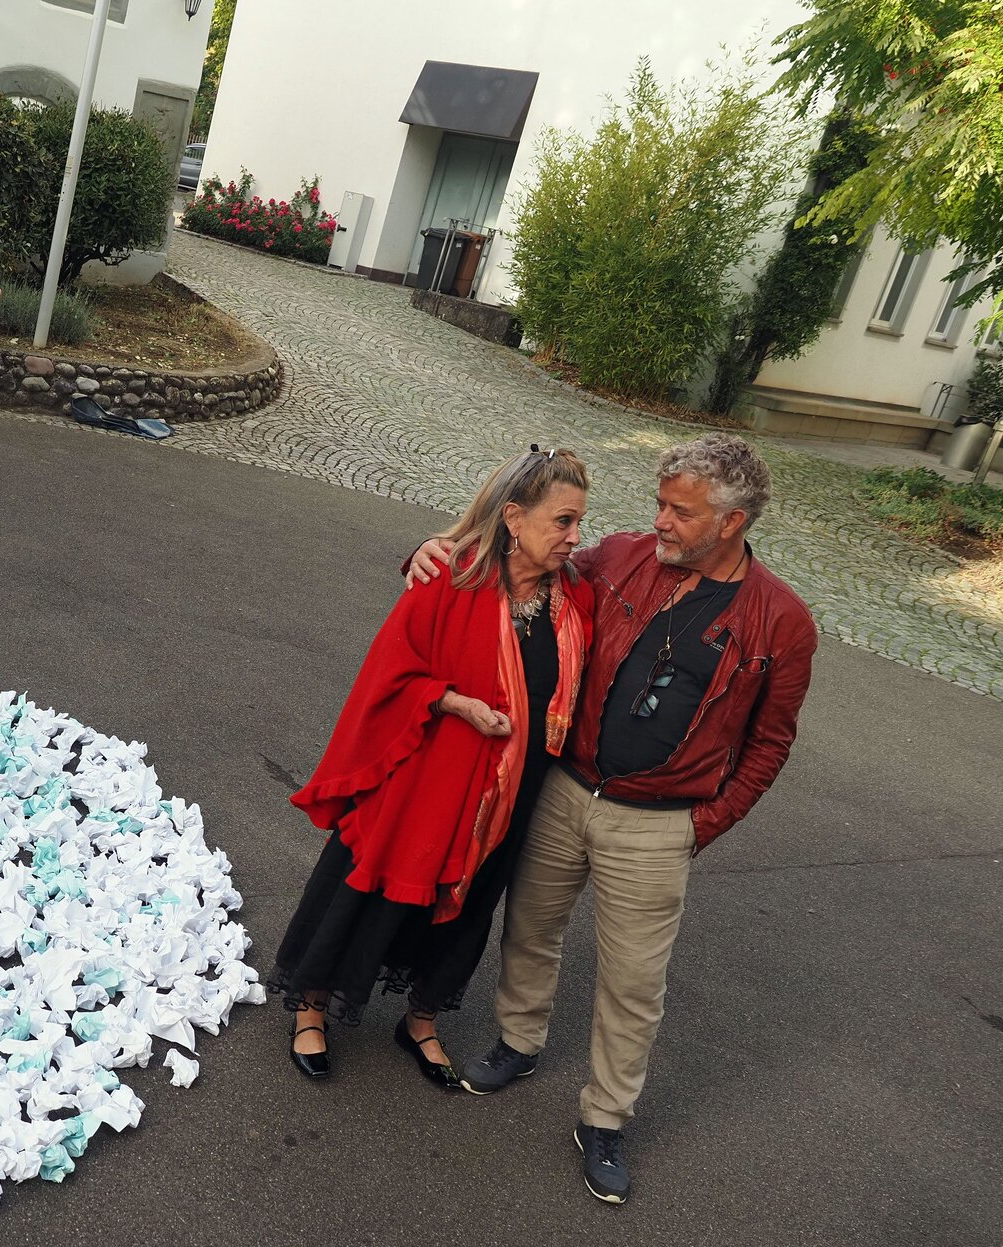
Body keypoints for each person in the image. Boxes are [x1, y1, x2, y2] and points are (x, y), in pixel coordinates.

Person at [408, 434, 817, 1205]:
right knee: (529, 929)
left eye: (680, 511)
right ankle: (520, 1042)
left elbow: (771, 742)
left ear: (731, 523)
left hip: (661, 824)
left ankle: (605, 1119)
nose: (659, 520)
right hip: (566, 789)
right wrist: (443, 546)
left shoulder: (782, 622)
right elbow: (523, 558)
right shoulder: (620, 556)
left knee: (633, 982)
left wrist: (706, 823)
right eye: (660, 503)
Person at [276, 447, 595, 1087]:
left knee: (470, 903)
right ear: (513, 517)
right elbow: (389, 675)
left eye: (580, 522)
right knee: (368, 887)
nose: (575, 537)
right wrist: (455, 703)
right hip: (424, 778)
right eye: (562, 521)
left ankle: (420, 1019)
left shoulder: (578, 598)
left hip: (508, 795)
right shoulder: (452, 579)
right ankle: (313, 1007)